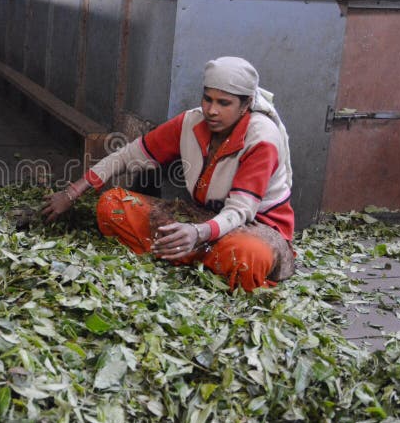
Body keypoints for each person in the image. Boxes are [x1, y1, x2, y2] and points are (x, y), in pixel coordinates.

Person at [42, 56, 295, 292]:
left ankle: (186, 253)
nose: (212, 110)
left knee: (249, 256)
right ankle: (197, 258)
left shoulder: (262, 138)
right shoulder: (191, 122)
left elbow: (240, 211)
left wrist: (196, 233)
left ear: (246, 104)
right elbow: (127, 156)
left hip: (254, 227)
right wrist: (72, 192)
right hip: (202, 220)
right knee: (112, 205)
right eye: (208, 99)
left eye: (224, 103)